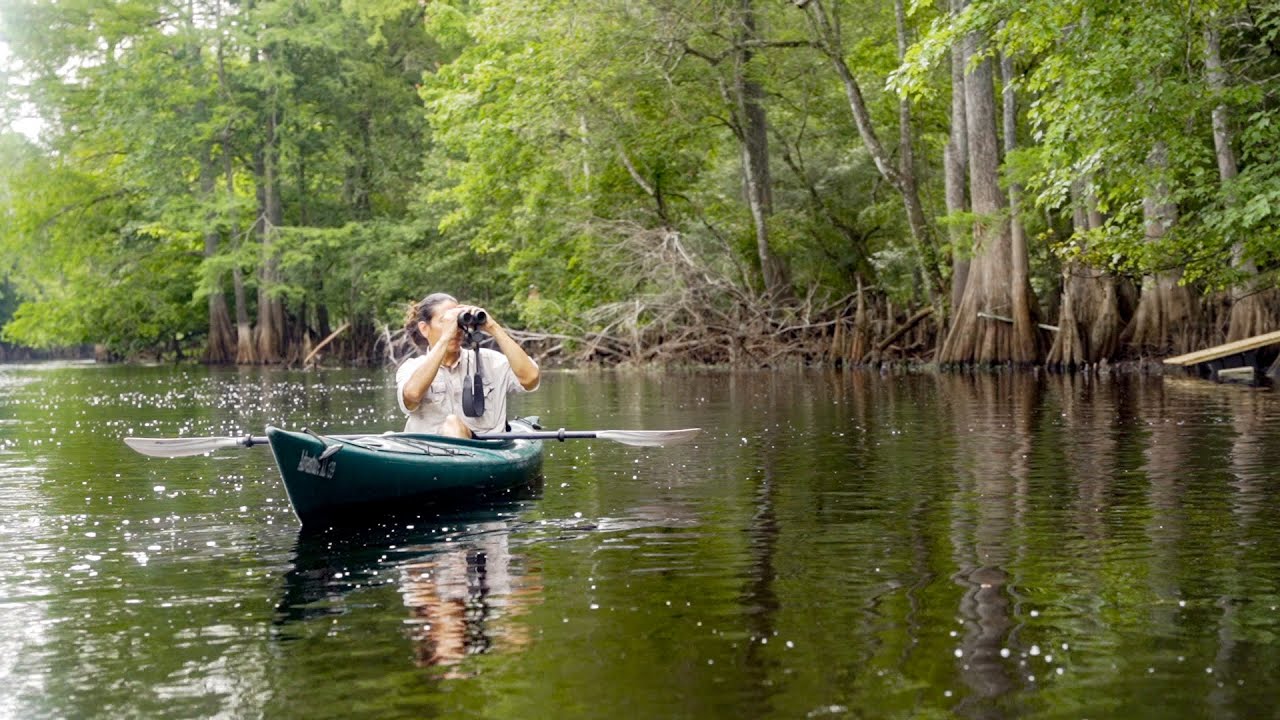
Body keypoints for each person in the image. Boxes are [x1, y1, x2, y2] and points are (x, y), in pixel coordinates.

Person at [398, 293, 540, 438]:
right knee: (452, 423)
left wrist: (493, 327)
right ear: (424, 329)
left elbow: (531, 379)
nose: (456, 328)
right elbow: (412, 396)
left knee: (453, 424)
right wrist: (446, 337)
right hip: (429, 449)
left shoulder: (491, 362)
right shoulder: (411, 368)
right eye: (445, 321)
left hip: (487, 447)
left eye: (458, 322)